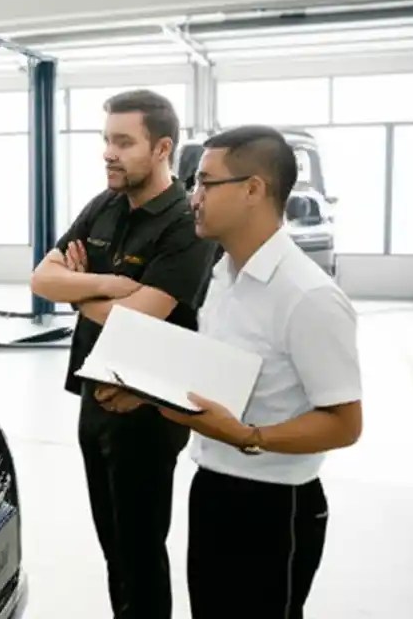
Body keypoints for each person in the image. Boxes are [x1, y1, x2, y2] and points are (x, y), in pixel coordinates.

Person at [158, 125, 363, 619]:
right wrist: (146, 389)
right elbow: (218, 371)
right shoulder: (224, 275)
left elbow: (345, 423)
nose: (193, 197)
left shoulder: (308, 296)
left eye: (206, 183)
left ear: (253, 189)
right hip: (212, 487)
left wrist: (248, 436)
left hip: (275, 507)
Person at [29, 89, 216, 618]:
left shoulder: (184, 222)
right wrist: (110, 285)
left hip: (147, 403)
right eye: (107, 140)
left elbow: (142, 315)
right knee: (113, 545)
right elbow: (42, 279)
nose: (109, 153)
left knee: (139, 548)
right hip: (94, 392)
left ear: (162, 148)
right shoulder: (104, 205)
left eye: (124, 142)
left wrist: (77, 290)